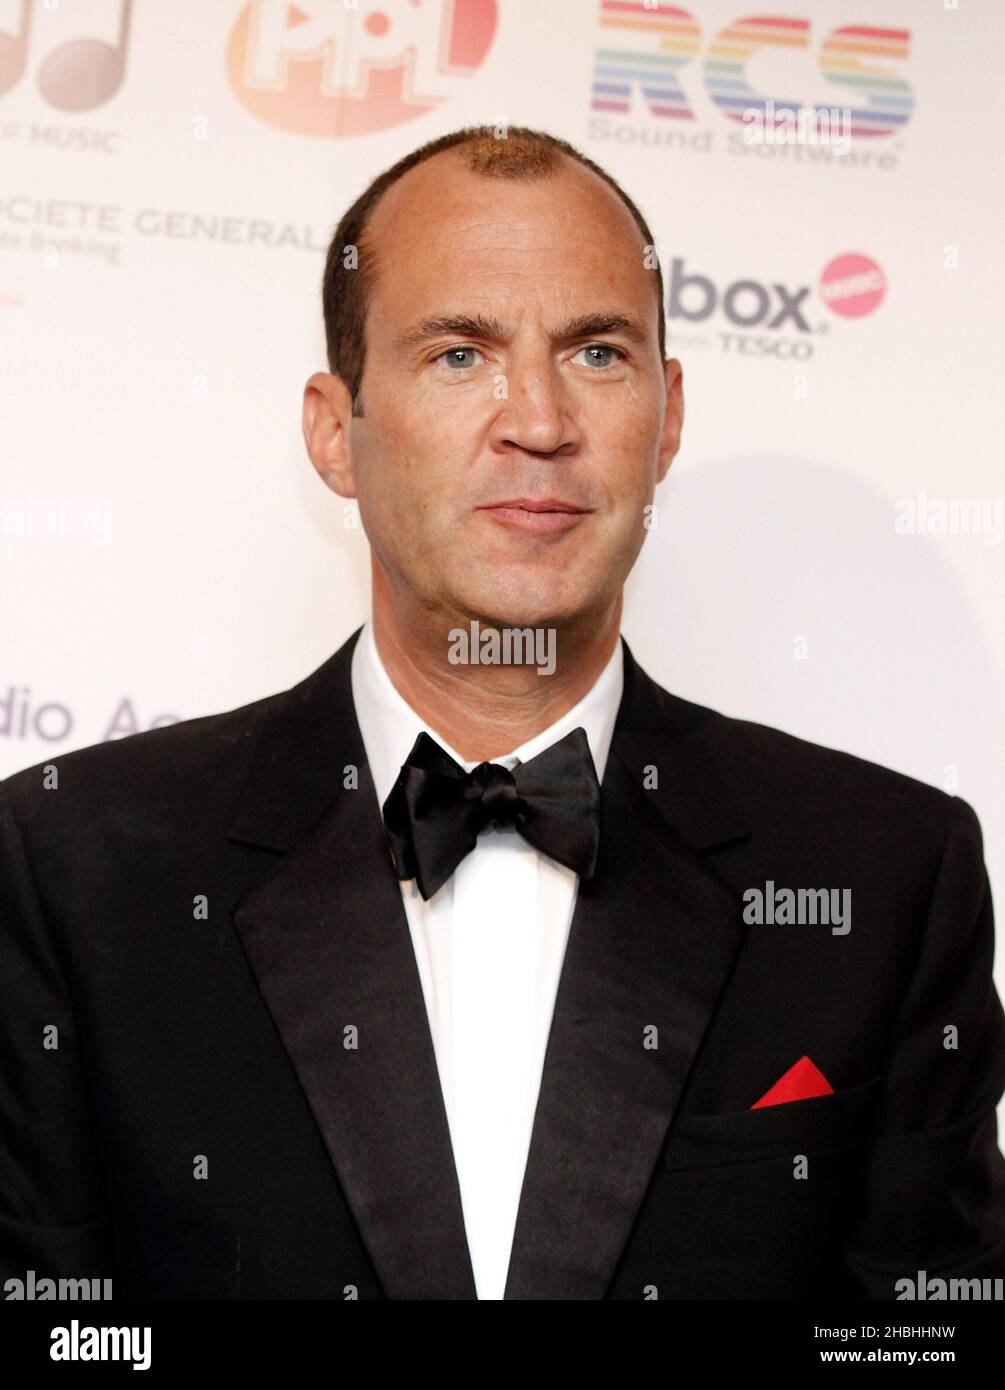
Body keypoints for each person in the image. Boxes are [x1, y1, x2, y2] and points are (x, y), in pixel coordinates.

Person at [1, 126, 1003, 1302]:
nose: (539, 418)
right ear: (336, 429)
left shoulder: (881, 873)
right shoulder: (75, 868)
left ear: (667, 416)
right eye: (460, 353)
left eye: (595, 350)